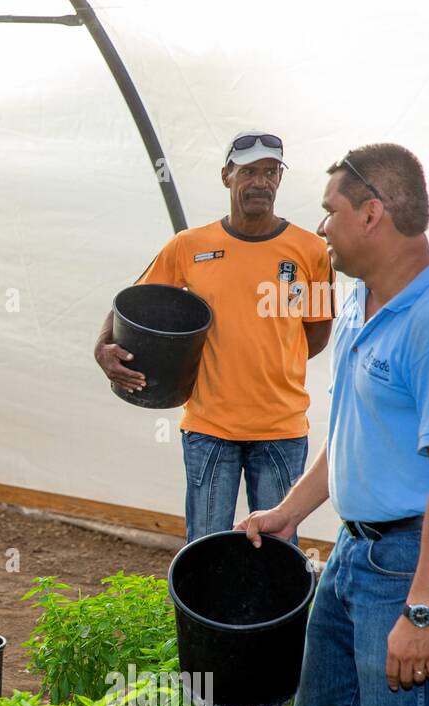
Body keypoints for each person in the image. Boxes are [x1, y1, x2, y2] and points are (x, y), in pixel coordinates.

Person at [239, 144, 429, 706]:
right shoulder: (360, 303)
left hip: (417, 559)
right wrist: (290, 512)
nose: (320, 228)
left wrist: (421, 611)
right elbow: (355, 431)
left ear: (373, 213)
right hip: (358, 553)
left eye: (330, 212)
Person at [95, 132, 334, 542]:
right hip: (209, 428)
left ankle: (273, 611)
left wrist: (272, 358)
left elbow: (318, 333)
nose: (261, 182)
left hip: (282, 429)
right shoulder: (190, 246)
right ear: (227, 176)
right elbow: (133, 303)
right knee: (205, 547)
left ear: (279, 180)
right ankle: (201, 611)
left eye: (271, 172)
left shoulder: (310, 251)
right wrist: (103, 347)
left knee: (278, 550)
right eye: (249, 171)